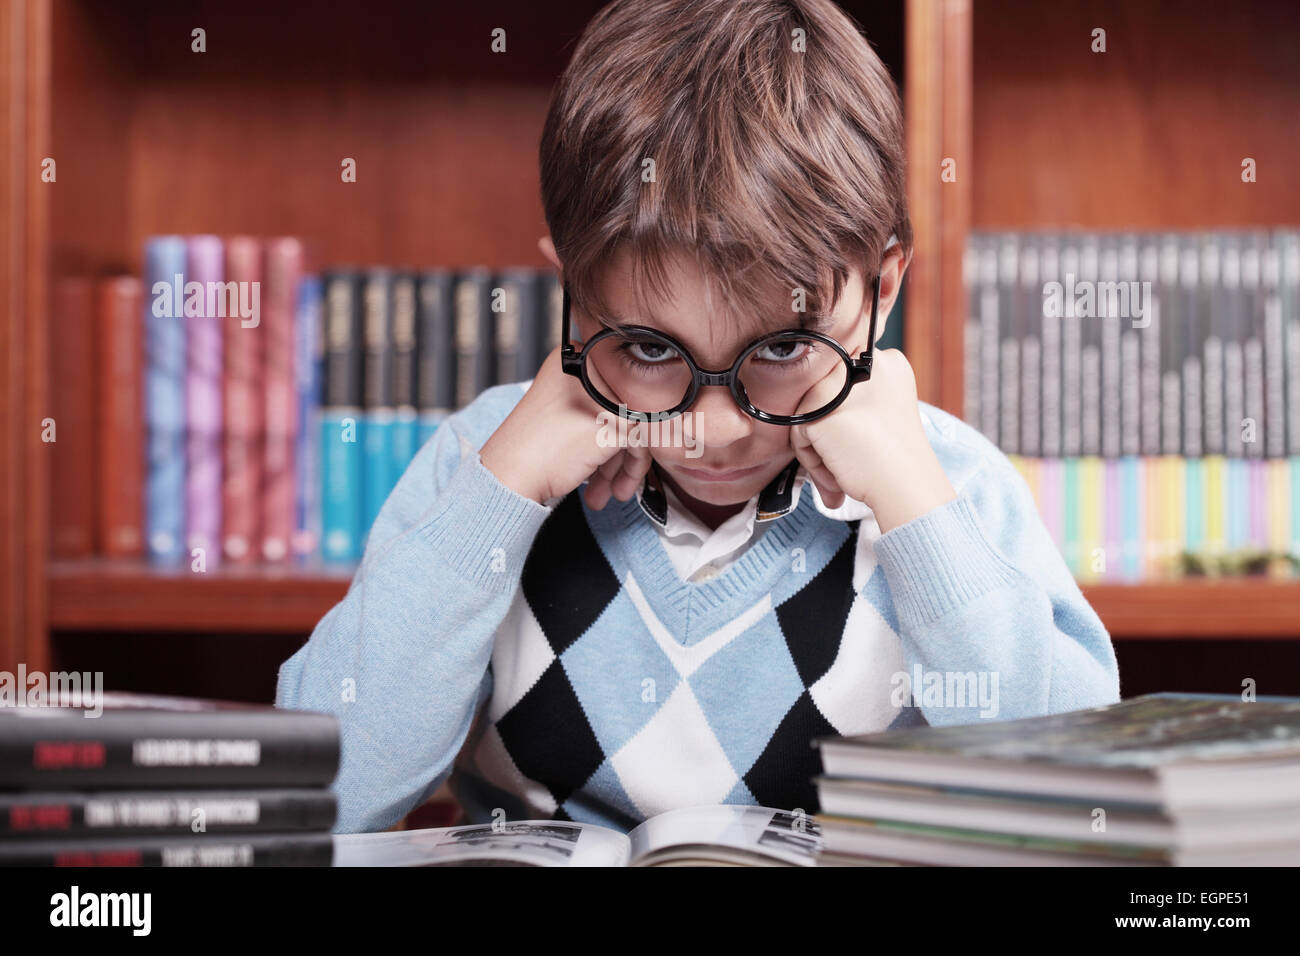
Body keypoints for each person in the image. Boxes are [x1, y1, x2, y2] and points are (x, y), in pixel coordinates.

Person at [276, 0, 1119, 835]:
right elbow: (322, 800)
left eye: (784, 348)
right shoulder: (484, 463)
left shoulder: (949, 491)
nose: (713, 430)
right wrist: (500, 497)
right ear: (572, 297)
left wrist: (918, 511)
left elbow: (1071, 811)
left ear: (882, 290)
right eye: (647, 350)